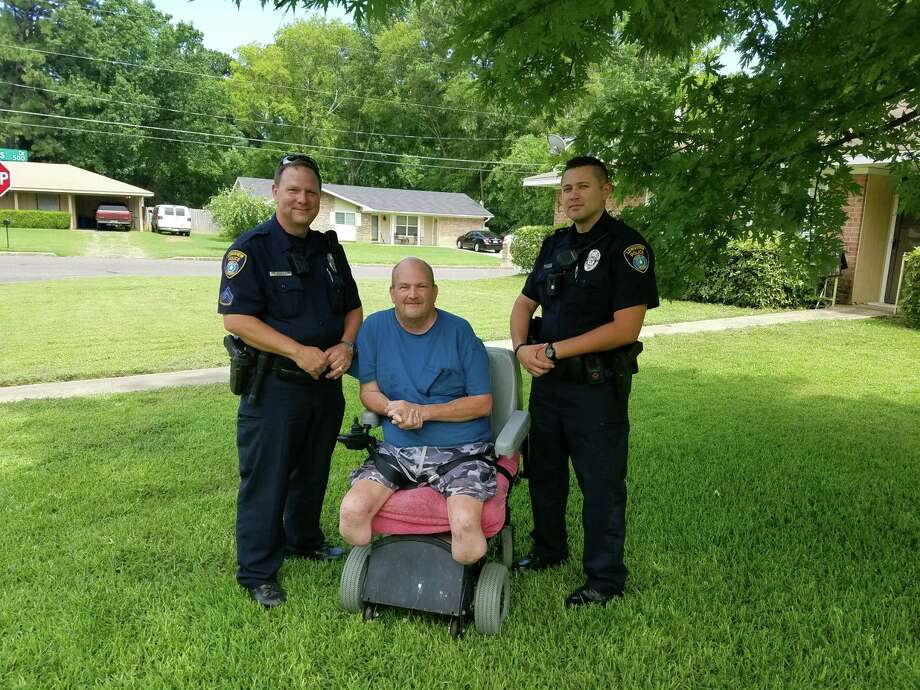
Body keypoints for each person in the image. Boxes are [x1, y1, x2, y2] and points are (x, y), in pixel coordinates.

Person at [509, 156, 659, 607]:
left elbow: (625, 328)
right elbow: (523, 305)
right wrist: (521, 349)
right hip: (548, 387)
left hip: (597, 390)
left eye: (582, 187)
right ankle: (549, 550)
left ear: (605, 190)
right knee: (545, 475)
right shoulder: (554, 244)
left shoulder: (627, 248)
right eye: (566, 189)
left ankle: (605, 577)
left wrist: (553, 350)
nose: (572, 196)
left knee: (601, 483)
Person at [217, 154, 363, 608]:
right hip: (275, 387)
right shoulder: (252, 249)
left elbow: (353, 309)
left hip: (325, 386)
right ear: (275, 193)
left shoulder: (328, 249)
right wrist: (297, 351)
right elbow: (236, 319)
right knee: (267, 478)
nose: (303, 198)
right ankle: (258, 571)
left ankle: (304, 539)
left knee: (313, 470)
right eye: (294, 190)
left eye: (311, 191)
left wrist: (346, 346)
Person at [339, 258, 496, 565]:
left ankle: (458, 579)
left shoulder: (460, 331)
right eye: (404, 287)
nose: (412, 294)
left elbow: (482, 403)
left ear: (435, 291)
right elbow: (368, 391)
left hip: (462, 450)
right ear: (392, 292)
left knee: (464, 523)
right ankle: (391, 568)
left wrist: (423, 412)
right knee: (351, 514)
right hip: (399, 450)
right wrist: (392, 408)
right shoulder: (374, 328)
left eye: (421, 286)